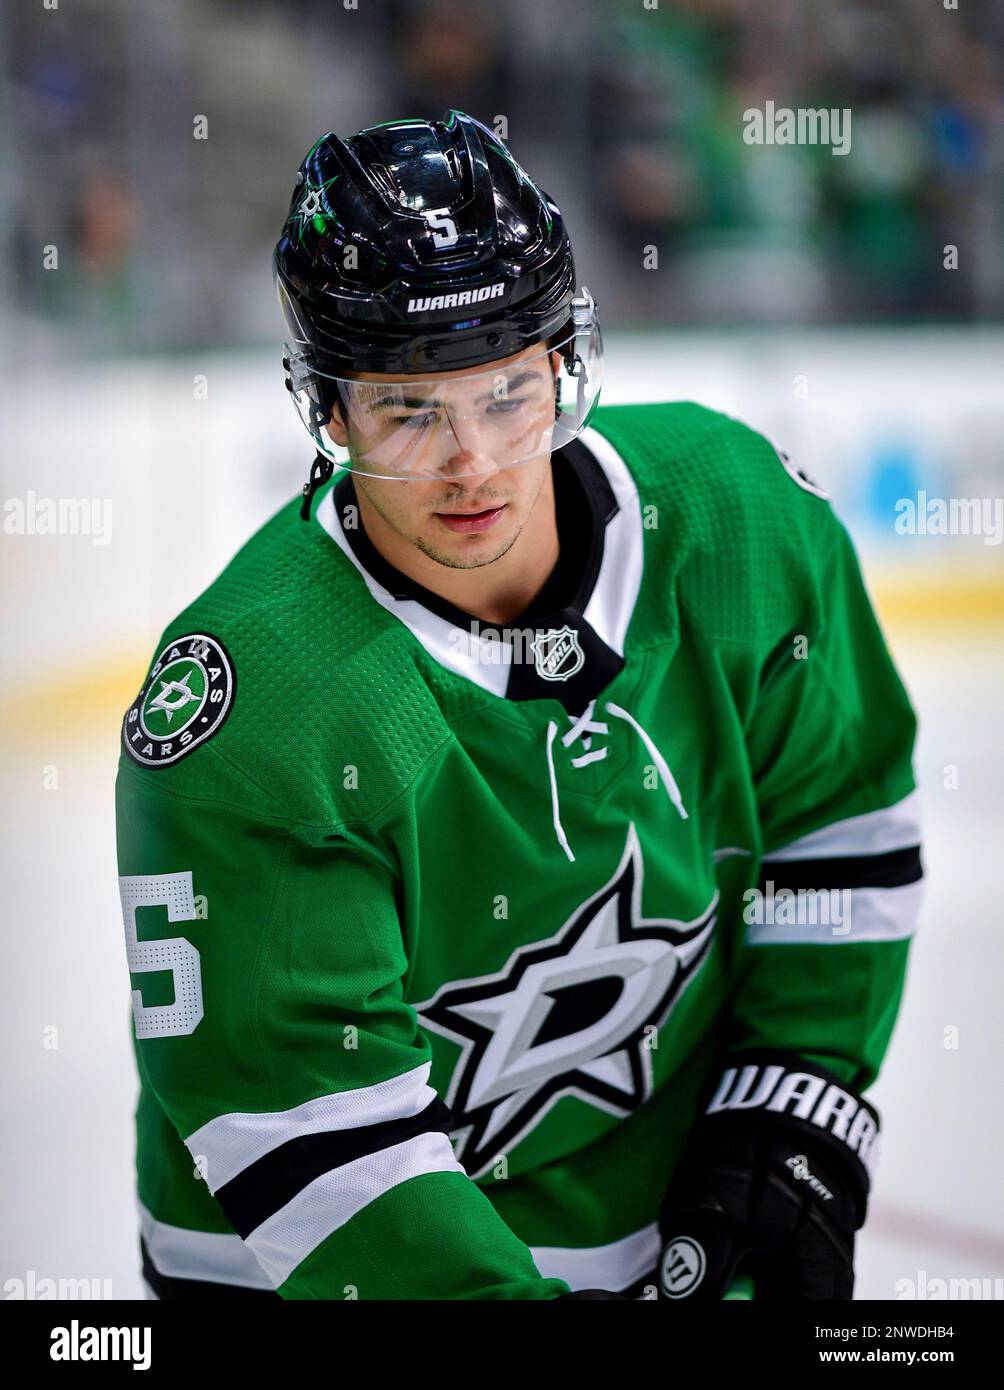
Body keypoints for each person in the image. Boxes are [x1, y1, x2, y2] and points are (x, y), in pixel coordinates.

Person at [115, 110, 923, 1301]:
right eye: (407, 411)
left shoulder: (737, 520)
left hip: (659, 1218)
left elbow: (837, 825)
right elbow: (305, 1130)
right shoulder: (254, 708)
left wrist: (790, 1109)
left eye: (504, 392)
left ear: (561, 361)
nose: (475, 466)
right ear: (326, 413)